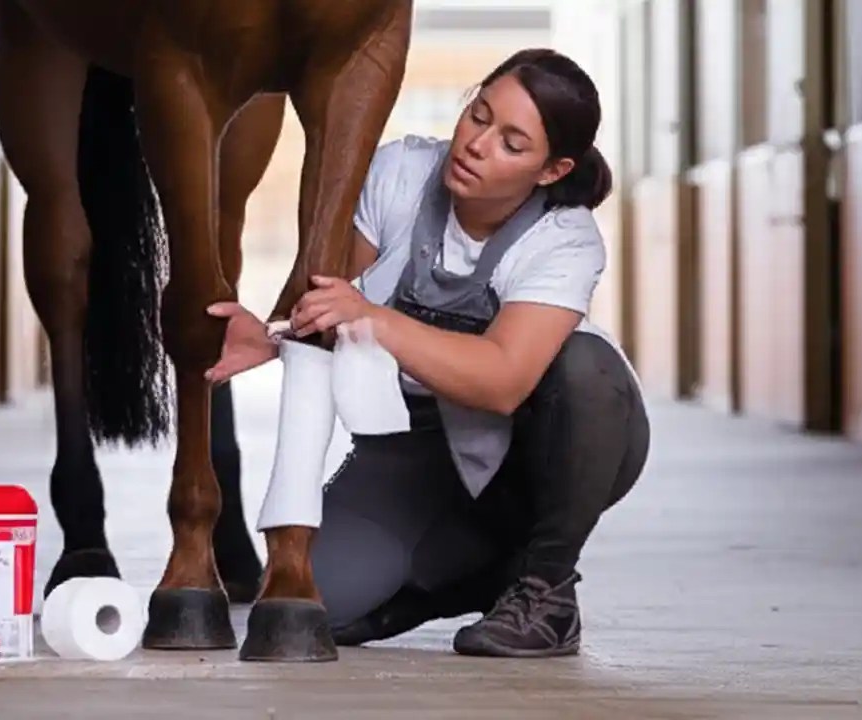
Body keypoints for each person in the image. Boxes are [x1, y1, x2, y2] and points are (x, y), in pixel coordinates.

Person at [205, 48, 650, 658]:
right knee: (314, 604)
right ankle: (485, 582)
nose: (475, 144)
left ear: (551, 170)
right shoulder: (400, 174)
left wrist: (377, 320)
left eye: (511, 144)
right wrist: (275, 336)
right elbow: (338, 303)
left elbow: (503, 382)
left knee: (586, 369)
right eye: (479, 115)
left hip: (534, 448)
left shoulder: (564, 237)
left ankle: (545, 588)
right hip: (411, 443)